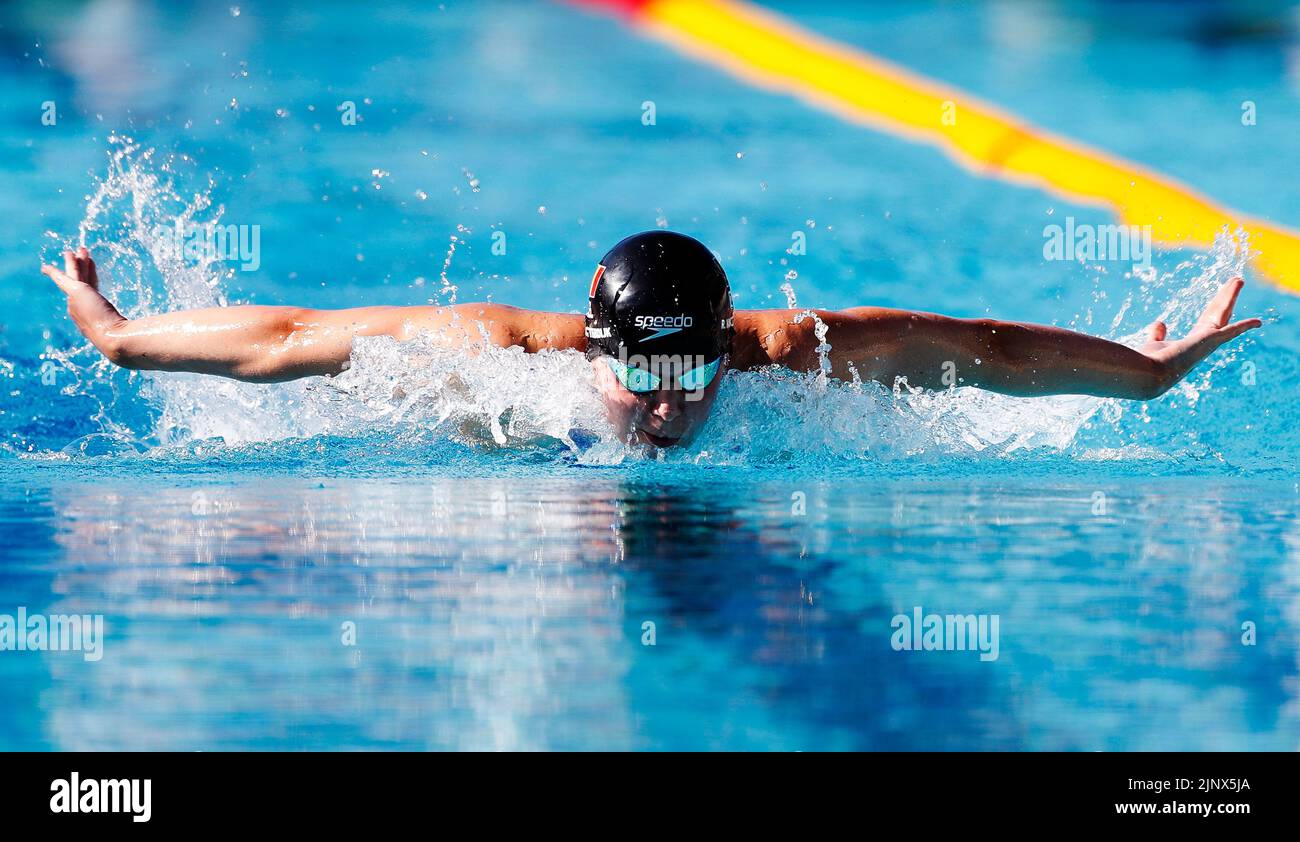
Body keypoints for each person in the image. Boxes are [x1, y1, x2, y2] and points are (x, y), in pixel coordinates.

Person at [43, 230, 1261, 448]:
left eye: (690, 371)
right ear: (596, 345)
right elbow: (294, 336)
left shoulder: (786, 355)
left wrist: (1143, 379)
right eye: (641, 370)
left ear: (723, 344)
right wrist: (118, 336)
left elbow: (989, 351)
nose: (668, 406)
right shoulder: (510, 357)